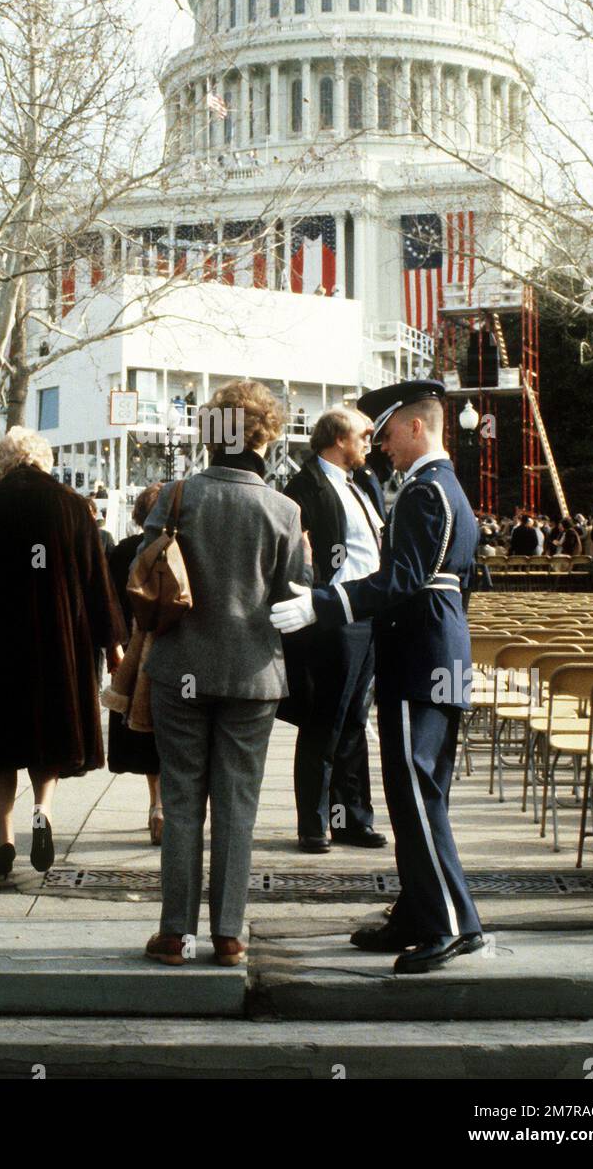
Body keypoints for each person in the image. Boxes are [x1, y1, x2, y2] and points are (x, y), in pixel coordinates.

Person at [271, 379, 483, 976]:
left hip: (421, 655)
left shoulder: (425, 492)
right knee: (416, 792)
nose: (383, 445)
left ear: (416, 427)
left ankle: (445, 923)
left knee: (416, 794)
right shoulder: (437, 488)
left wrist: (325, 602)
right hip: (431, 650)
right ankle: (423, 910)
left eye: (388, 433)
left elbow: (402, 582)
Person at [138, 379, 309, 968]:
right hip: (252, 673)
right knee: (238, 802)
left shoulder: (179, 496)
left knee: (183, 797)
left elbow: (148, 570)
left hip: (180, 664)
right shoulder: (285, 510)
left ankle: (175, 934)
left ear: (213, 434)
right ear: (266, 438)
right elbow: (294, 601)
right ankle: (230, 934)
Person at [0, 428, 125, 878]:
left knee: (0, 743)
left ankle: (4, 837)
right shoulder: (72, 505)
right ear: (44, 459)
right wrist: (113, 643)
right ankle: (43, 810)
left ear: (5, 461)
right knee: (47, 733)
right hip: (58, 645)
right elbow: (97, 581)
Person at [281, 407, 387, 852]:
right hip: (330, 618)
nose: (370, 441)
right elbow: (296, 556)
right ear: (338, 438)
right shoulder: (303, 487)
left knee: (355, 723)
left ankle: (351, 818)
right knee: (325, 722)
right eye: (363, 434)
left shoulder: (365, 483)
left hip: (367, 614)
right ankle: (314, 824)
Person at [106, 483, 163, 844]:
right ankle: (168, 805)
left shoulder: (124, 551)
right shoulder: (180, 550)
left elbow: (108, 602)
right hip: (174, 650)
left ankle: (156, 803)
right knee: (173, 730)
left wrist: (113, 649)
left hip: (132, 652)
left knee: (143, 727)